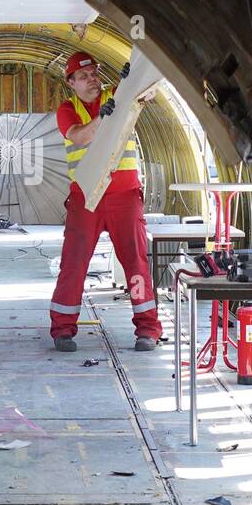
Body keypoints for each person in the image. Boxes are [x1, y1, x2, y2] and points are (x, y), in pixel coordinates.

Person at [49, 51, 163, 351]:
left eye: (95, 74)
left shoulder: (118, 95)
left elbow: (149, 92)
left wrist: (137, 81)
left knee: (136, 261)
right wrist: (105, 115)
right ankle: (62, 329)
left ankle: (148, 329)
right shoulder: (67, 110)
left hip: (124, 196)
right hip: (86, 198)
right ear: (71, 82)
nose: (92, 80)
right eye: (84, 76)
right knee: (73, 263)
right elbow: (81, 137)